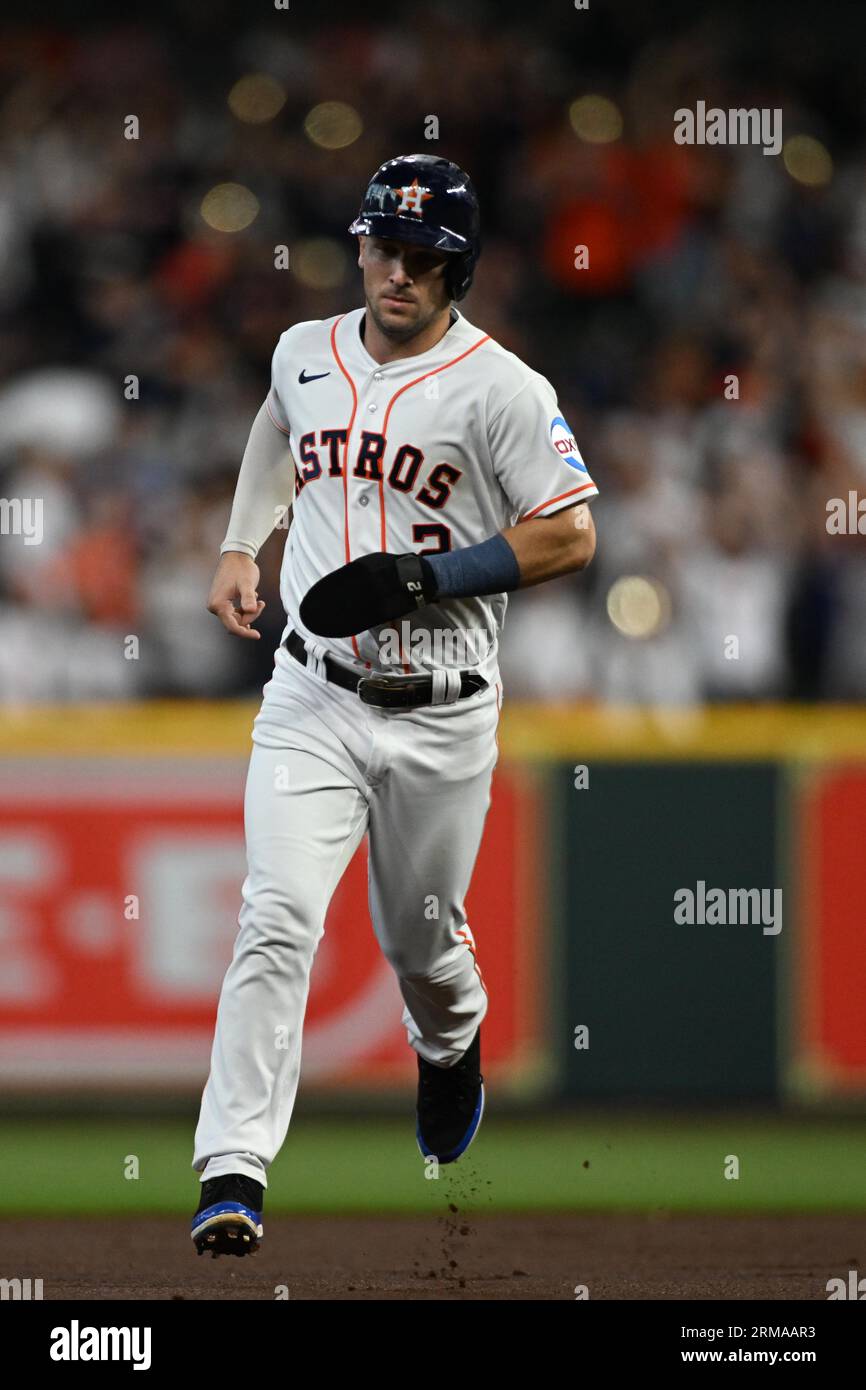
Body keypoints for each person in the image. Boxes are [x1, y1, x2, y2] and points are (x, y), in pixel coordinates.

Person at [190, 154, 598, 1257]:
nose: (399, 273)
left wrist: (429, 576)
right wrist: (241, 541)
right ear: (360, 244)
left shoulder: (503, 388)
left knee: (419, 949)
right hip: (312, 695)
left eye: (425, 260)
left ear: (456, 270)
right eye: (386, 248)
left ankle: (451, 1043)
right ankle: (232, 1171)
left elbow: (570, 532)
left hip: (442, 708)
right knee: (275, 917)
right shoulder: (302, 351)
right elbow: (279, 425)